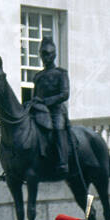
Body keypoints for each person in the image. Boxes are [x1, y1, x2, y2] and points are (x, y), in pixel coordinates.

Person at [29, 38, 70, 175]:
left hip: (56, 110)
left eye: (47, 54)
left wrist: (47, 101)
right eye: (42, 54)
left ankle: (62, 161)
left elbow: (65, 94)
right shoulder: (38, 76)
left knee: (58, 129)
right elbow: (35, 95)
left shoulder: (61, 73)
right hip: (39, 110)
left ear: (54, 54)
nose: (45, 57)